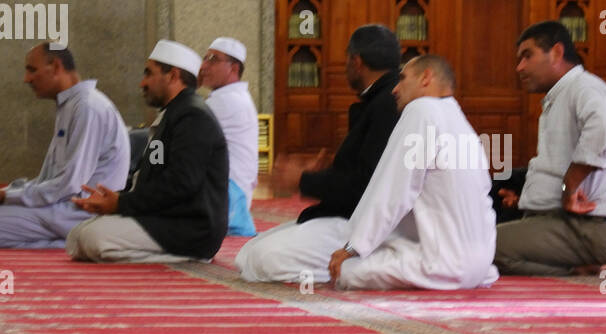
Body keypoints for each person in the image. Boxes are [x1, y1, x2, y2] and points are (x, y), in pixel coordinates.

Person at [236, 24, 402, 283]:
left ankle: (361, 268)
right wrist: (320, 174)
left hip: (366, 226)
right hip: (350, 215)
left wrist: (302, 180)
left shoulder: (387, 105)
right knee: (246, 255)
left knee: (262, 260)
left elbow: (364, 185)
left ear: (356, 62)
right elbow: (361, 171)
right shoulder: (379, 101)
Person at [329, 55, 498, 290]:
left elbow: (394, 189)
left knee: (345, 271)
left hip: (443, 265)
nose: (395, 89)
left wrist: (353, 247)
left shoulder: (421, 109)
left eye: (402, 78)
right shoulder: (460, 120)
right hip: (481, 266)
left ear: (426, 78)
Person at [493, 20, 606, 276]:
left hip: (586, 227)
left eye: (527, 56)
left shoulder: (584, 87)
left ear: (557, 52)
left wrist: (570, 185)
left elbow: (604, 129)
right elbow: (556, 166)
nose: (520, 67)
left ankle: (572, 268)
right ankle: (570, 263)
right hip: (561, 222)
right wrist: (525, 198)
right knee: (473, 233)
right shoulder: (563, 94)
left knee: (481, 248)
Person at [66, 40, 229, 263]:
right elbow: (153, 174)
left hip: (191, 228)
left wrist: (121, 204)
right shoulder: (172, 115)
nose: (142, 83)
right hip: (165, 217)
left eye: (149, 74)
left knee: (91, 238)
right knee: (76, 236)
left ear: (172, 76)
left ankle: (185, 257)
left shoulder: (193, 117)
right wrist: (117, 200)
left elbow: (181, 184)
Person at [0, 43, 128, 248]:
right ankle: (72, 240)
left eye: (32, 70)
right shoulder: (71, 106)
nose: (26, 79)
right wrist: (5, 194)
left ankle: (75, 240)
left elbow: (70, 184)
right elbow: (49, 179)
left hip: (82, 211)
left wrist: (5, 197)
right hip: (63, 206)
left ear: (55, 67)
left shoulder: (87, 107)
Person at [200, 36, 258, 237]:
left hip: (228, 196)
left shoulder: (226, 101)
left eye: (213, 59)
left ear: (233, 68)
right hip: (234, 193)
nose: (204, 66)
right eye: (205, 58)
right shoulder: (232, 97)